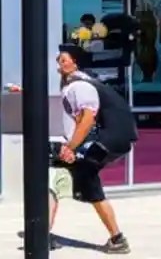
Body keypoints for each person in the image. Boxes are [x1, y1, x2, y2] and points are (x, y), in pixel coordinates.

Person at [51, 49, 134, 254]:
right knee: (93, 190)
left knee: (50, 179)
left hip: (95, 144)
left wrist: (70, 148)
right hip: (98, 145)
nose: (58, 65)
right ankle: (117, 239)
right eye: (58, 60)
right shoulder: (82, 84)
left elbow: (87, 119)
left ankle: (40, 236)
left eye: (63, 60)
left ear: (75, 64)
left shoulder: (79, 86)